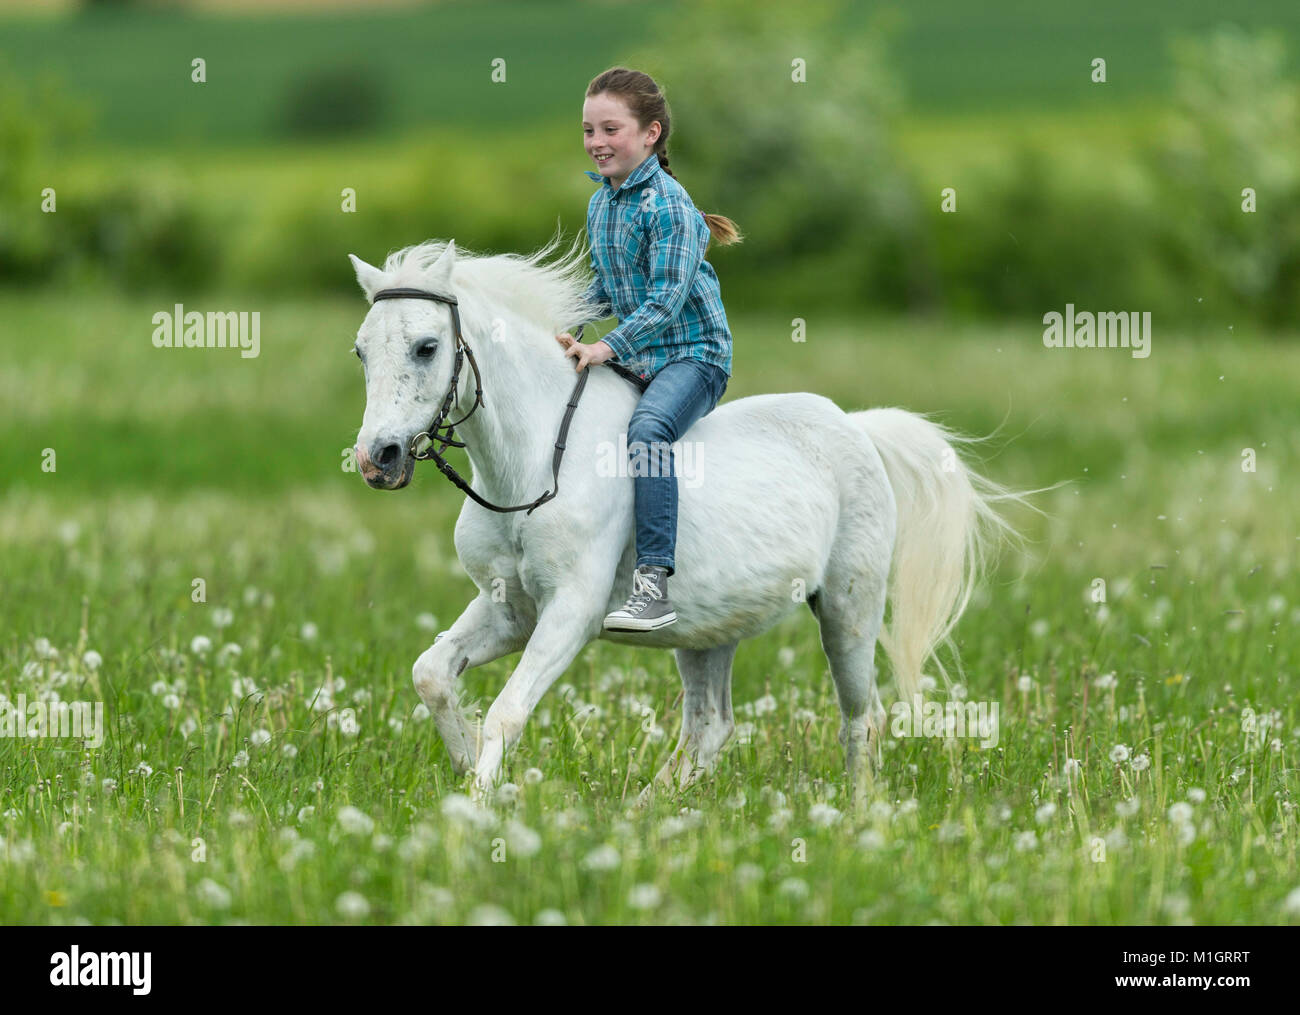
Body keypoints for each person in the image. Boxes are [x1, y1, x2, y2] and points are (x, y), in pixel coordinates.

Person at [555, 66, 742, 632]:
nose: (597, 143)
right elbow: (606, 290)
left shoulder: (670, 209)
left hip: (691, 356)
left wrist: (605, 347)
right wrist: (555, 322)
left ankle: (653, 584)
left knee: (648, 433)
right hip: (638, 358)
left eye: (611, 129)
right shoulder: (601, 204)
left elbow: (664, 303)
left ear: (651, 134)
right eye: (589, 130)